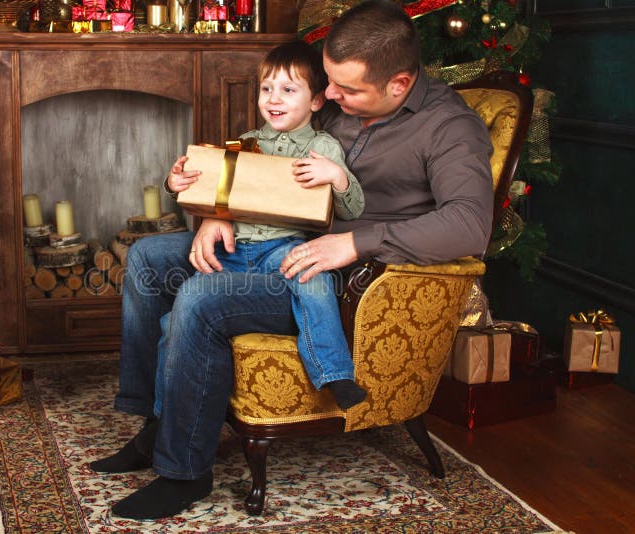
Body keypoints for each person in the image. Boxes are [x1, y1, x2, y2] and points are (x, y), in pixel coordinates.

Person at [90, 0, 494, 521]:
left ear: (398, 84)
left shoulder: (449, 130)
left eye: (344, 90)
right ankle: (155, 425)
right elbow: (266, 148)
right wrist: (219, 210)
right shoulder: (337, 102)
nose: (328, 96)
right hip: (272, 238)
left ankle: (184, 471)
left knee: (203, 297)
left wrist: (354, 244)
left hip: (338, 280)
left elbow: (469, 226)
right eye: (325, 82)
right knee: (148, 259)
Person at [163, 40, 366, 412]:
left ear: (316, 101)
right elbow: (213, 192)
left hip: (283, 248)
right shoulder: (245, 144)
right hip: (235, 251)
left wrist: (337, 177)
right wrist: (176, 183)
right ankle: (166, 417)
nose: (274, 98)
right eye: (267, 88)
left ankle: (335, 373)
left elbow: (352, 210)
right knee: (180, 308)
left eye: (289, 90)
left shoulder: (324, 148)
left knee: (312, 277)